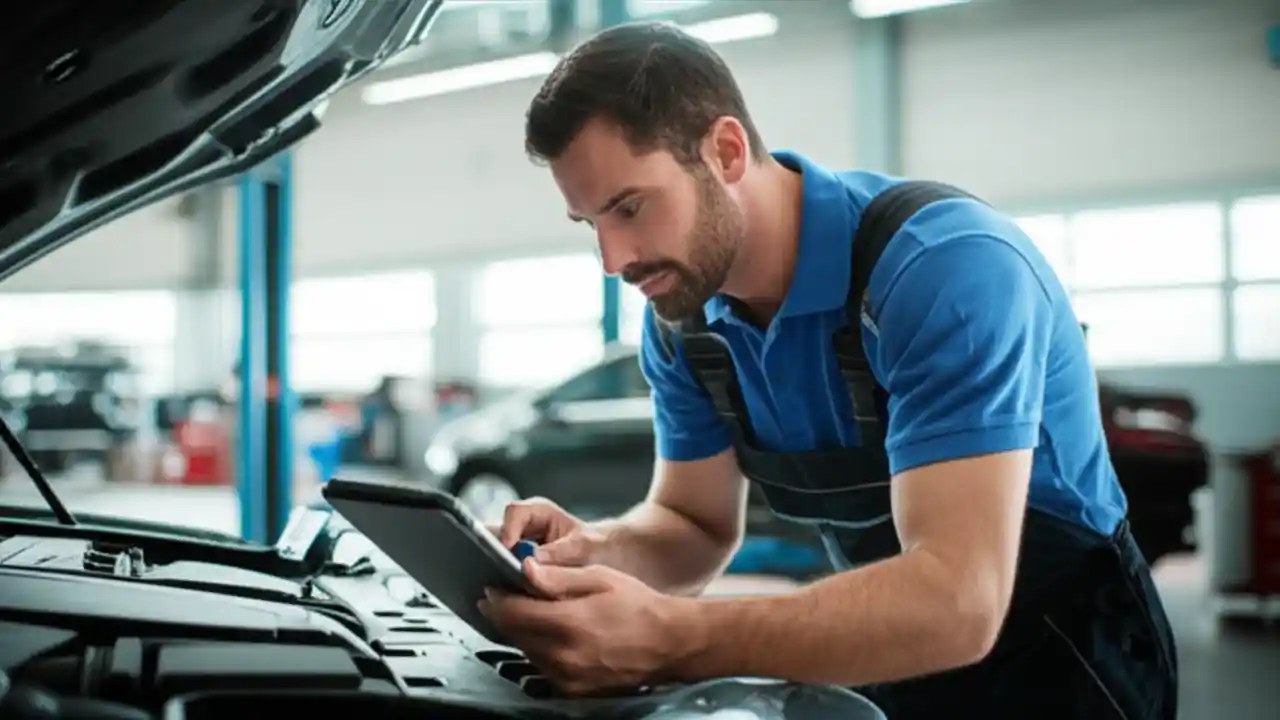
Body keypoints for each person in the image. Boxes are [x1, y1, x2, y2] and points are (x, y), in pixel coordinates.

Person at [478, 21, 1178, 719]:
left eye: (629, 207)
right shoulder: (686, 324)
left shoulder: (944, 269)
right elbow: (691, 524)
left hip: (1067, 663)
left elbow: (956, 600)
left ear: (723, 151)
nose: (613, 259)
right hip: (884, 646)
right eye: (590, 224)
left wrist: (670, 637)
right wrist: (592, 552)